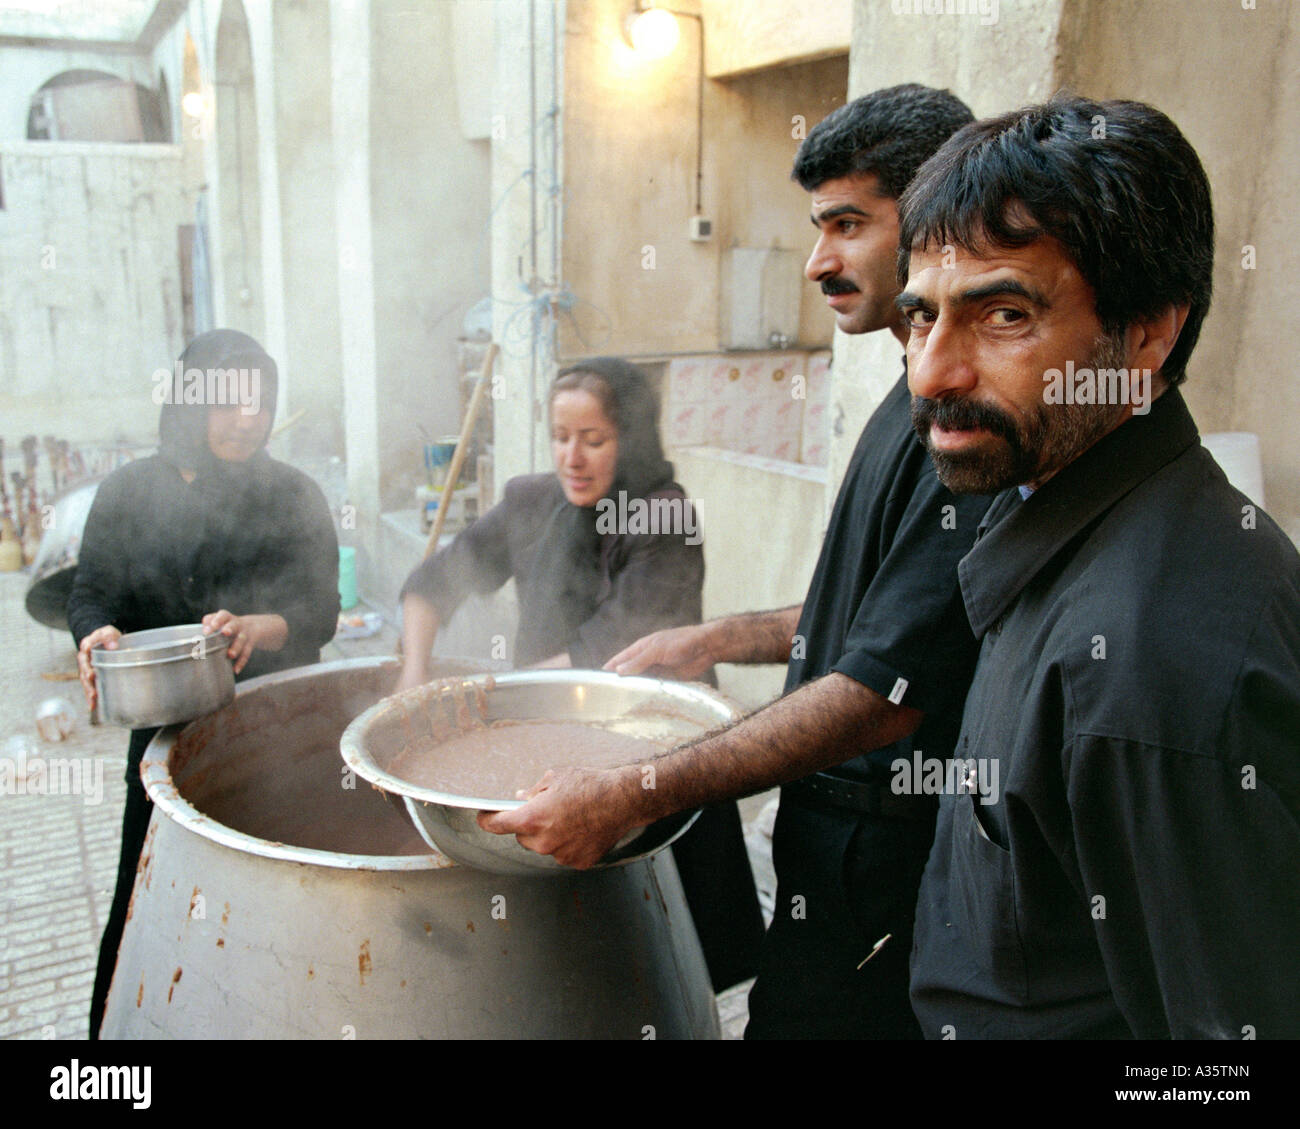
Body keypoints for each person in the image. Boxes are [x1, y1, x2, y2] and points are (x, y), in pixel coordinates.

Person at [480, 86, 993, 1039]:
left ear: (931, 217)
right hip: (827, 868)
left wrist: (635, 789)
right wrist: (715, 637)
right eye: (815, 227)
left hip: (890, 892)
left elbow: (883, 692)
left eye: (847, 225)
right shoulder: (904, 394)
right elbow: (877, 616)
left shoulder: (962, 428)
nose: (817, 262)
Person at [895, 94, 1300, 1038]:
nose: (930, 372)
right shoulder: (1053, 502)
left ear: (1149, 334)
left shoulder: (1144, 671)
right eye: (920, 320)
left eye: (1002, 314)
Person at [396, 357, 764, 992]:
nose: (573, 457)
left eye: (594, 440)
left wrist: (503, 707)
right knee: (564, 944)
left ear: (632, 438)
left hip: (654, 757)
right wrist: (412, 674)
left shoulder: (662, 515)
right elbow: (434, 585)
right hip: (547, 741)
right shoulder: (530, 501)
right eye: (561, 437)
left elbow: (615, 646)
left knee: (663, 947)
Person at [69, 329, 340, 1038]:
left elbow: (323, 610)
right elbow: (91, 592)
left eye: (258, 401)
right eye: (227, 403)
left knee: (286, 898)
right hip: (167, 739)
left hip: (279, 732)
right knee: (148, 896)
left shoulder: (292, 494)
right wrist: (93, 634)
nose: (247, 418)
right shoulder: (129, 493)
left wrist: (262, 625)